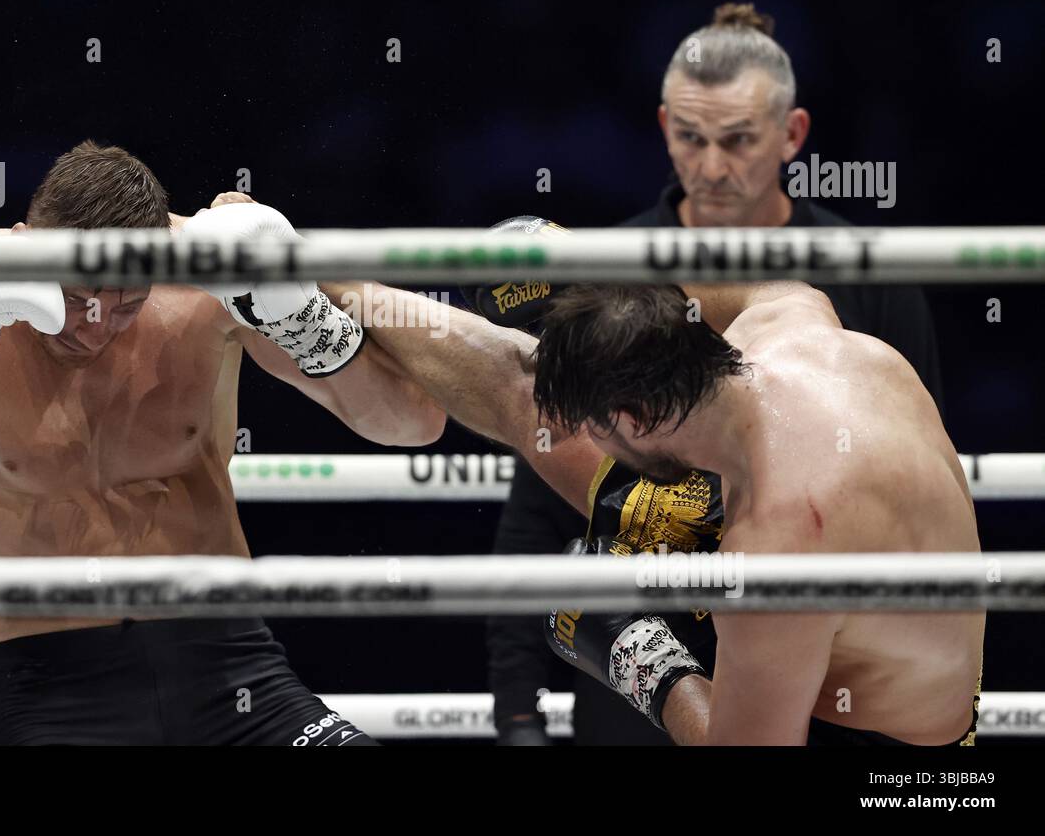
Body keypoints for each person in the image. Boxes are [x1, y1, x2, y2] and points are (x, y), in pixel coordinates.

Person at [0, 140, 446, 745]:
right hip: (48, 693)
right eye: (74, 299)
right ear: (25, 241)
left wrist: (304, 316)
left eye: (127, 306)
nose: (94, 332)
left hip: (233, 669)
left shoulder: (206, 284)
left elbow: (412, 423)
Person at [487, 2, 944, 745]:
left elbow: (926, 479)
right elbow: (537, 491)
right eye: (692, 139)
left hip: (816, 664)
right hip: (633, 659)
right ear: (665, 126)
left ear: (793, 135)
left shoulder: (869, 271)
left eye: (738, 141)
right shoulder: (607, 269)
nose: (712, 167)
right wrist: (517, 713)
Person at [328, 277, 980, 745]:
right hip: (832, 626)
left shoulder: (777, 556)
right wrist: (592, 284)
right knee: (535, 399)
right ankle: (337, 286)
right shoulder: (796, 320)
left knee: (546, 427)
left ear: (631, 421)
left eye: (598, 427)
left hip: (907, 773)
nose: (586, 436)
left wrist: (642, 658)